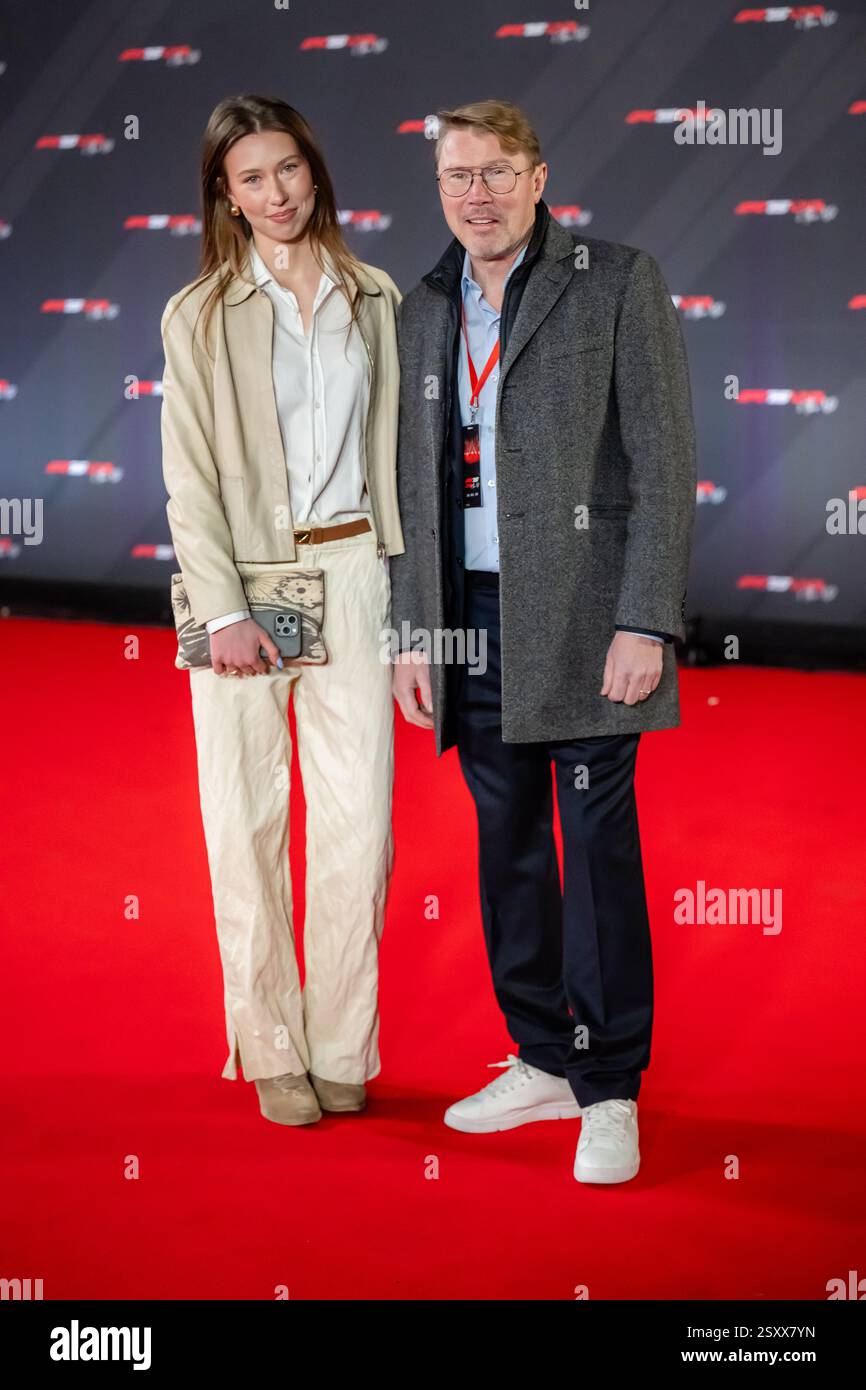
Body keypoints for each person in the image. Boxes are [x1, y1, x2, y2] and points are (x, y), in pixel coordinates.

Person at [390, 99, 696, 1184]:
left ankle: (609, 1083)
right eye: (454, 175)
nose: (473, 193)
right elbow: (409, 491)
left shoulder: (615, 279)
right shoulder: (421, 307)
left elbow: (661, 465)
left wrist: (643, 616)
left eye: (493, 171)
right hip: (466, 617)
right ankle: (540, 1056)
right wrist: (412, 633)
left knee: (595, 850)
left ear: (536, 176)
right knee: (507, 842)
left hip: (582, 613)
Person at [160, 94, 404, 1126]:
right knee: (246, 823)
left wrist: (413, 613)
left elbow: (398, 464)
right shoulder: (197, 313)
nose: (276, 193)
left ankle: (342, 1041)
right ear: (225, 192)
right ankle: (267, 1047)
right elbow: (189, 479)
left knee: (360, 826)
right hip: (242, 585)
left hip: (354, 574)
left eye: (289, 169)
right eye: (252, 177)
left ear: (316, 171)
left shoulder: (375, 296)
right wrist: (222, 611)